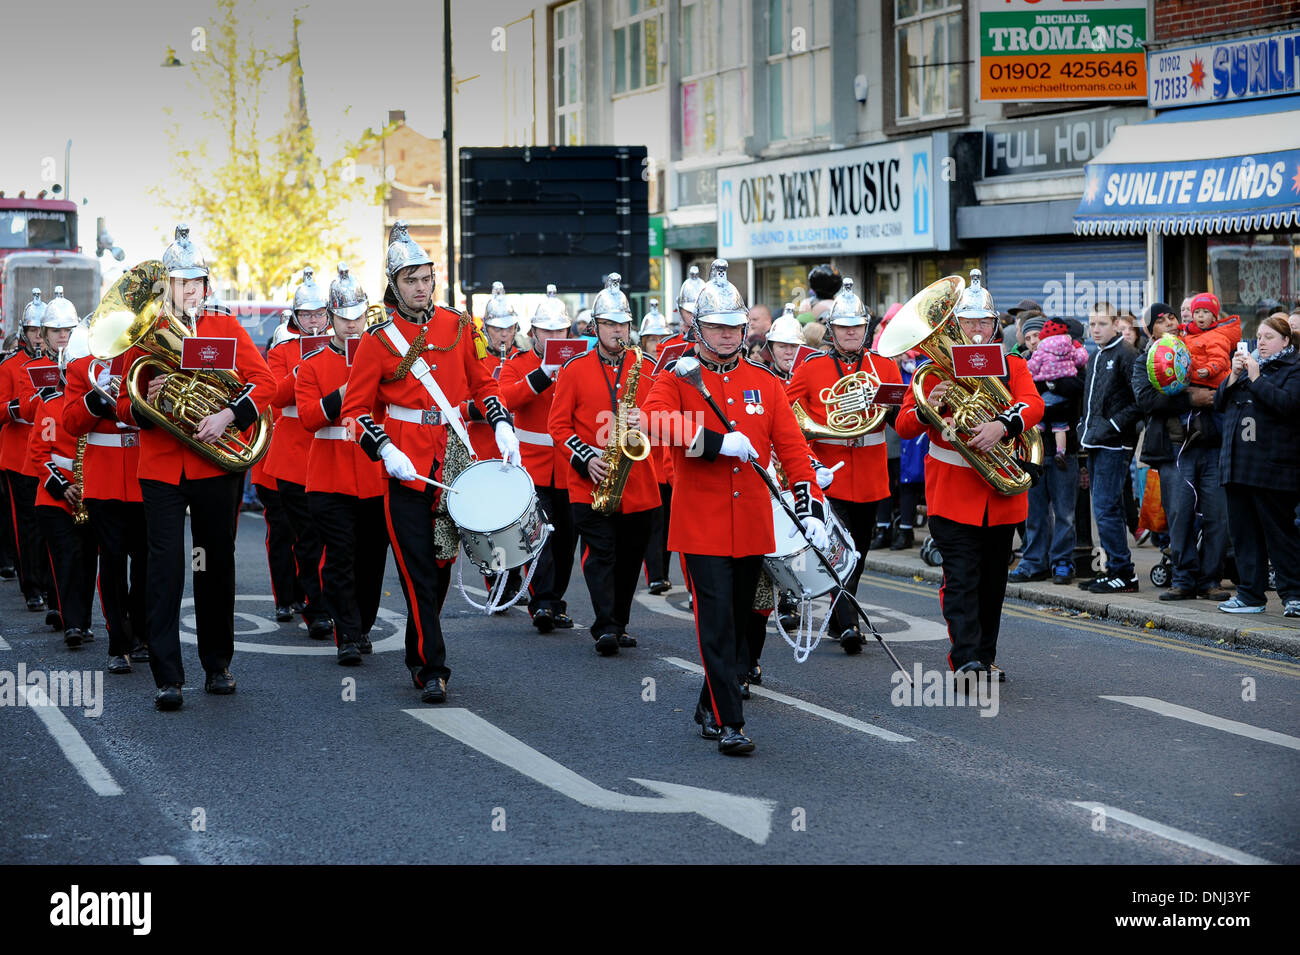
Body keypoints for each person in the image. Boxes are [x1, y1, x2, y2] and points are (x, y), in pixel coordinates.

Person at [644, 259, 828, 754]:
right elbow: (652, 422)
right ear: (699, 328)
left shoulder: (766, 383)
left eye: (734, 327)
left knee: (745, 623)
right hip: (699, 523)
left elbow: (791, 448)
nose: (727, 336)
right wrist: (713, 442)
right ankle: (731, 722)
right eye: (717, 327)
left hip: (752, 520)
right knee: (716, 620)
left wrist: (808, 505)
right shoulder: (678, 375)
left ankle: (710, 702)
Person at [339, 221, 519, 704]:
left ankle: (420, 647)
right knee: (417, 568)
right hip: (405, 466)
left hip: (455, 461)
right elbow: (355, 411)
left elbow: (483, 384)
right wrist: (384, 448)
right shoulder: (378, 340)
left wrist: (500, 421)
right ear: (394, 286)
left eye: (426, 279)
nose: (421, 289)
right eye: (411, 281)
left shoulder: (459, 326)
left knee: (440, 564)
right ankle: (431, 666)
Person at [116, 225, 276, 711]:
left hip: (214, 470)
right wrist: (152, 401)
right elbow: (123, 406)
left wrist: (229, 415)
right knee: (164, 570)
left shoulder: (225, 328)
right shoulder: (141, 335)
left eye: (197, 282)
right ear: (166, 286)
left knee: (213, 565)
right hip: (162, 468)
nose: (190, 291)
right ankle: (168, 676)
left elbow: (264, 382)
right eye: (181, 283)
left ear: (207, 286)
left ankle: (217, 665)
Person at [894, 270, 1044, 680]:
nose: (976, 330)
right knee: (960, 580)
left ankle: (985, 655)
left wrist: (1003, 424)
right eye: (968, 322)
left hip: (1001, 495)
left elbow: (1033, 405)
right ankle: (965, 659)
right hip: (951, 492)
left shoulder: (1011, 365)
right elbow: (905, 426)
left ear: (995, 325)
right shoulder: (933, 369)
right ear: (954, 325)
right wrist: (931, 406)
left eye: (983, 322)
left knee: (993, 584)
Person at [786, 277, 902, 654]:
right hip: (828, 471)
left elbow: (899, 419)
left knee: (859, 552)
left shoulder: (884, 367)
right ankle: (848, 624)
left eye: (857, 327)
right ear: (832, 330)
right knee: (839, 548)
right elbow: (786, 416)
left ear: (865, 329)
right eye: (843, 327)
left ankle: (839, 619)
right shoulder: (810, 368)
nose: (850, 333)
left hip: (870, 472)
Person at [548, 273, 659, 656]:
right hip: (590, 479)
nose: (617, 331)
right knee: (601, 555)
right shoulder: (575, 368)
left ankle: (619, 621)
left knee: (629, 559)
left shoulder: (645, 365)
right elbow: (557, 426)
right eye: (609, 324)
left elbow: (663, 415)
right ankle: (605, 625)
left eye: (623, 324)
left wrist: (645, 419)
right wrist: (586, 458)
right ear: (595, 327)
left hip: (639, 481)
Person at [296, 264, 390, 665]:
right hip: (329, 478)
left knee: (371, 561)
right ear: (331, 318)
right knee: (340, 557)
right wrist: (348, 390)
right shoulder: (313, 364)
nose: (353, 327)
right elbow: (308, 418)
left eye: (358, 318)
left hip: (373, 476)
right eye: (344, 319)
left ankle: (362, 625)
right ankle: (347, 634)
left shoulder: (383, 357)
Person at [63, 303, 149, 671]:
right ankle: (119, 643)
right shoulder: (81, 368)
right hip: (103, 482)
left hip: (146, 478)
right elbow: (70, 421)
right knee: (112, 564)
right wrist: (98, 397)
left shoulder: (145, 361)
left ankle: (142, 633)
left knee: (147, 565)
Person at [1131, 302, 1228, 602]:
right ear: (1150, 331)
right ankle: (1183, 579)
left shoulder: (1197, 347)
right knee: (1180, 515)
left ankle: (1210, 580)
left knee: (1217, 516)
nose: (1170, 323)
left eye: (1172, 317)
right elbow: (1146, 400)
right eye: (1161, 321)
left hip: (1210, 444)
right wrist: (1191, 399)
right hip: (1175, 449)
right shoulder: (1144, 360)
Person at [499, 285, 578, 631]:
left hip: (570, 465)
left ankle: (555, 601)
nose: (554, 336)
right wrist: (543, 374)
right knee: (540, 536)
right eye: (547, 330)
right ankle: (542, 602)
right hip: (532, 464)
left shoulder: (578, 364)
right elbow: (506, 399)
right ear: (533, 333)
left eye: (560, 330)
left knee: (566, 541)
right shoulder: (519, 365)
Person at [262, 269, 333, 640]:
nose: (315, 321)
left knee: (336, 537)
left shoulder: (342, 344)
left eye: (320, 313)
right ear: (295, 317)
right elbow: (274, 394)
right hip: (293, 454)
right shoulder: (283, 350)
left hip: (334, 449)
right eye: (307, 315)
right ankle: (314, 606)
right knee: (305, 537)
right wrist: (307, 368)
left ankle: (334, 605)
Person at [1215, 314, 1300, 617]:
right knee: (1244, 535)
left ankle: (1294, 595)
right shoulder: (1249, 368)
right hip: (1238, 466)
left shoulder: (1293, 369)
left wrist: (1256, 379)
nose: (1261, 343)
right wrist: (1233, 377)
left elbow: (1288, 406)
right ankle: (1250, 595)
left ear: (1286, 341)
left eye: (1269, 337)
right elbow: (1219, 403)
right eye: (1259, 337)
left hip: (1273, 468)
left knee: (1280, 535)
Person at [28, 300, 96, 648]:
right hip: (56, 496)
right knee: (67, 559)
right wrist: (63, 486)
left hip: (91, 492)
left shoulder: (96, 405)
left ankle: (83, 620)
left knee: (87, 561)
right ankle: (72, 622)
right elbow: (38, 453)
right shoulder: (50, 403)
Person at [464, 281, 523, 605]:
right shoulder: (477, 358)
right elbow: (460, 404)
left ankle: (514, 578)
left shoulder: (523, 358)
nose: (503, 335)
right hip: (483, 448)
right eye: (497, 329)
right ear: (485, 328)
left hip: (515, 450)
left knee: (514, 519)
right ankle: (496, 582)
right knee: (491, 524)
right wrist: (483, 409)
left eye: (509, 328)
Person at [1077, 302, 1141, 594]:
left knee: (1107, 508)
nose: (1095, 329)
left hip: (1116, 445)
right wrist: (1084, 429)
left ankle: (1124, 574)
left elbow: (1138, 401)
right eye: (1092, 324)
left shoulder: (1127, 354)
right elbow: (1090, 402)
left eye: (1102, 323)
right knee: (1103, 510)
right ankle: (1114, 569)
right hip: (1095, 442)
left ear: (1117, 324)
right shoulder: (1096, 356)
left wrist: (1113, 426)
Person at [2, 290, 55, 614]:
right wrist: (17, 408)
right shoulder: (10, 366)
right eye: (34, 331)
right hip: (19, 452)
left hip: (50, 453)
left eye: (42, 331)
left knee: (51, 525)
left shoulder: (57, 363)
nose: (38, 336)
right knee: (26, 526)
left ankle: (51, 586)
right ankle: (31, 585)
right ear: (25, 332)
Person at [636, 299, 674, 594]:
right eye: (652, 339)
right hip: (649, 452)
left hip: (672, 450)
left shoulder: (674, 366)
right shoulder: (641, 366)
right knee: (654, 521)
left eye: (662, 339)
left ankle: (663, 569)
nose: (657, 344)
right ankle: (656, 574)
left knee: (673, 519)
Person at [1027, 319, 1089, 469]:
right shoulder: (1070, 350)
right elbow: (1081, 358)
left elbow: (1030, 371)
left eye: (1036, 335)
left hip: (1046, 404)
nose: (1033, 341)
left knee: (1038, 425)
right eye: (1028, 338)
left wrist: (1048, 383)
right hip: (1063, 406)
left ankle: (1035, 449)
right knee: (1060, 427)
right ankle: (1060, 452)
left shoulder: (1040, 353)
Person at [1182, 292, 1241, 388]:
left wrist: (1209, 370)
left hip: (1210, 382)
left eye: (1205, 312)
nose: (1200, 315)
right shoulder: (1190, 334)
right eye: (1197, 312)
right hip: (1194, 379)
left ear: (1214, 318)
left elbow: (1219, 358)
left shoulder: (1217, 336)